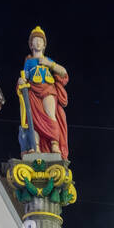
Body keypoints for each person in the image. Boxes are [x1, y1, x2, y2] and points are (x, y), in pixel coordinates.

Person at [17, 26, 70, 159]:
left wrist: (50, 64)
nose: (38, 43)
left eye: (40, 40)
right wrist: (21, 81)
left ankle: (54, 144)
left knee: (51, 116)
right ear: (31, 44)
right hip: (33, 91)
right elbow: (26, 76)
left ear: (44, 45)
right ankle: (36, 146)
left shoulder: (48, 60)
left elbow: (63, 72)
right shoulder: (28, 62)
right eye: (35, 40)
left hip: (48, 90)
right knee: (32, 121)